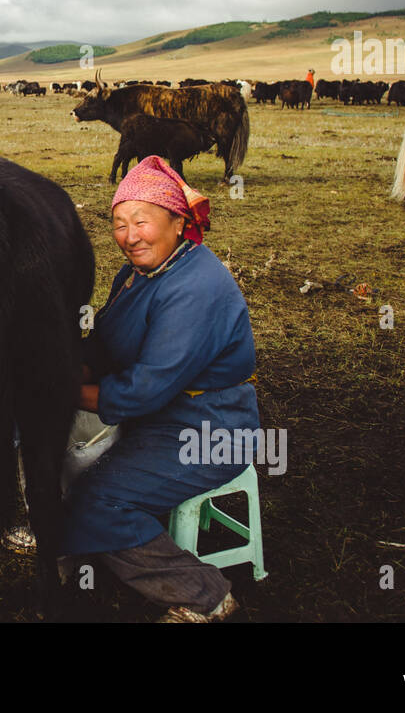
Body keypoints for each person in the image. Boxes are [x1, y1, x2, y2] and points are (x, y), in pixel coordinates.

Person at [61, 155, 261, 622]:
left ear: (177, 220)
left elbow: (140, 392)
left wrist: (61, 390)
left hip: (211, 427)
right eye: (118, 224)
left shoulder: (196, 288)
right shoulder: (137, 274)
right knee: (38, 436)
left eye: (142, 222)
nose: (130, 237)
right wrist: (68, 366)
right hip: (161, 416)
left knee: (97, 500)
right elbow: (106, 347)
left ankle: (204, 596)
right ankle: (60, 528)